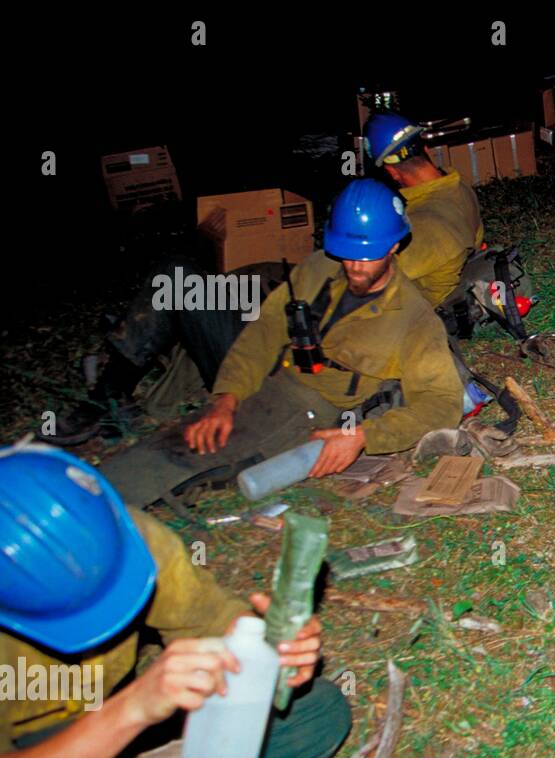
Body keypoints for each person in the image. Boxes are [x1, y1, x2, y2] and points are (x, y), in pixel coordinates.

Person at [0, 443, 350, 758]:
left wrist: (268, 645)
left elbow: (206, 619)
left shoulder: (123, 536)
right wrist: (131, 709)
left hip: (105, 740)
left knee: (315, 711)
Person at [98, 178, 466, 508]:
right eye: (346, 252)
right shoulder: (320, 267)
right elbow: (265, 330)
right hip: (271, 374)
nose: (353, 265)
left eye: (366, 255)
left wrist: (362, 436)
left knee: (180, 458)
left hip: (304, 405)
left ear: (395, 246)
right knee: (178, 276)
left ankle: (90, 505)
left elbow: (440, 404)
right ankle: (89, 479)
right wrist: (227, 396)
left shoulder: (415, 321)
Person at [363, 113, 485, 308]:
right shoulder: (460, 187)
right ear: (426, 149)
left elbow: (368, 277)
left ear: (392, 172)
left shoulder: (420, 225)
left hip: (425, 314)